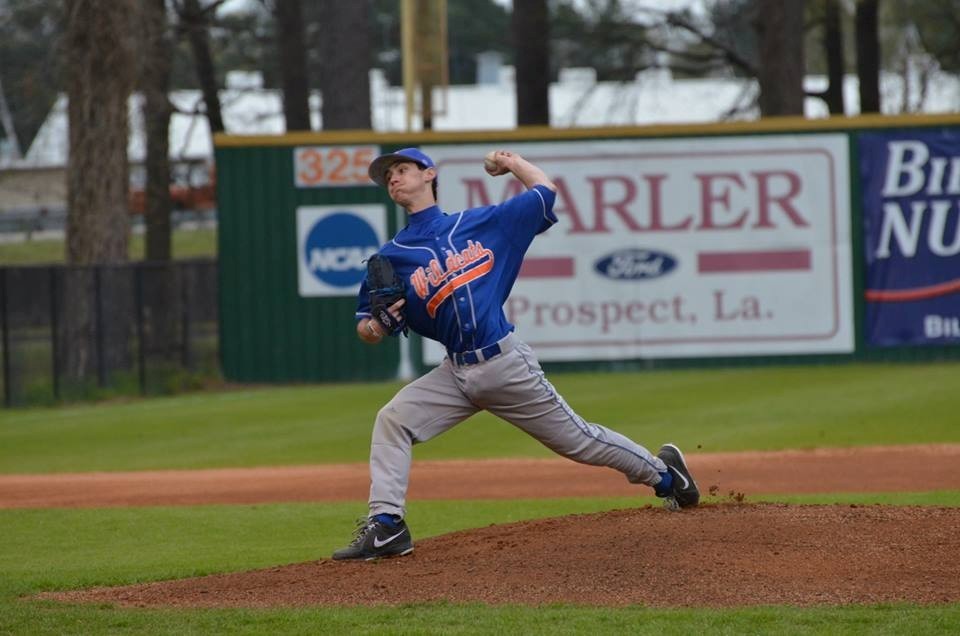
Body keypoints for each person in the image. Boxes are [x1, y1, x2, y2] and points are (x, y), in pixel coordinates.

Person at [332, 147, 699, 561]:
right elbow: (366, 327)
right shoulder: (390, 257)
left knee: (580, 442)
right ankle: (387, 526)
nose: (393, 179)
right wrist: (377, 325)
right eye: (388, 176)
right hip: (455, 373)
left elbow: (544, 194)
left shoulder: (483, 224)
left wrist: (511, 163)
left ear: (429, 174)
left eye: (402, 169)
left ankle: (666, 477)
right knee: (392, 420)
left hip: (504, 364)